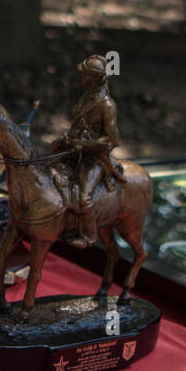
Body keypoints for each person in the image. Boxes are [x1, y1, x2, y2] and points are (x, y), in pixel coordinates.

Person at [51, 55, 124, 246]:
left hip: (95, 158)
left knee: (84, 196)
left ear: (92, 78)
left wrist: (86, 145)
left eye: (84, 74)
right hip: (75, 150)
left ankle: (90, 236)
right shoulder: (86, 96)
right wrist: (68, 139)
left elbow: (113, 139)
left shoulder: (107, 105)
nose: (81, 77)